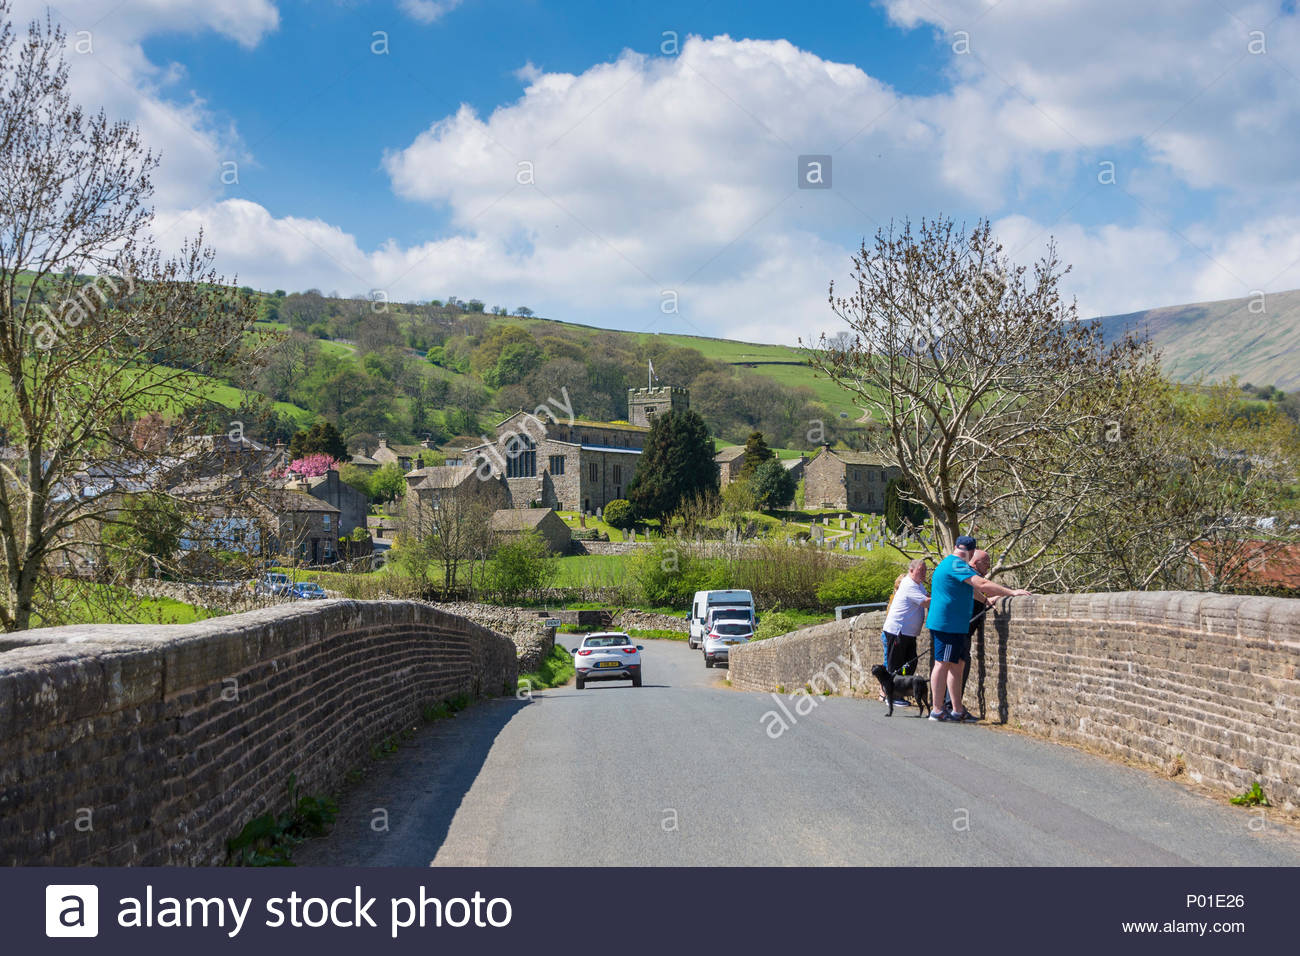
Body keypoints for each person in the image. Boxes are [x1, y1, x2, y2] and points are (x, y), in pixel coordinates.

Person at [926, 535, 1030, 722]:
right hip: (947, 624)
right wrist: (1012, 592)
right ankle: (937, 709)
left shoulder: (952, 563)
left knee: (958, 665)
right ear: (972, 552)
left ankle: (957, 710)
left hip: (955, 624)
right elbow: (981, 583)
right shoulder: (956, 564)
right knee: (942, 663)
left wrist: (985, 601)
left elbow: (972, 589)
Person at [879, 559, 929, 698]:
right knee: (896, 666)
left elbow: (927, 598)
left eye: (925, 570)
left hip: (909, 633)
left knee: (910, 664)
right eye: (921, 570)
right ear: (911, 570)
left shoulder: (919, 585)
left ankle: (899, 695)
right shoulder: (909, 584)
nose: (924, 573)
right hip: (898, 631)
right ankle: (892, 697)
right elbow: (925, 602)